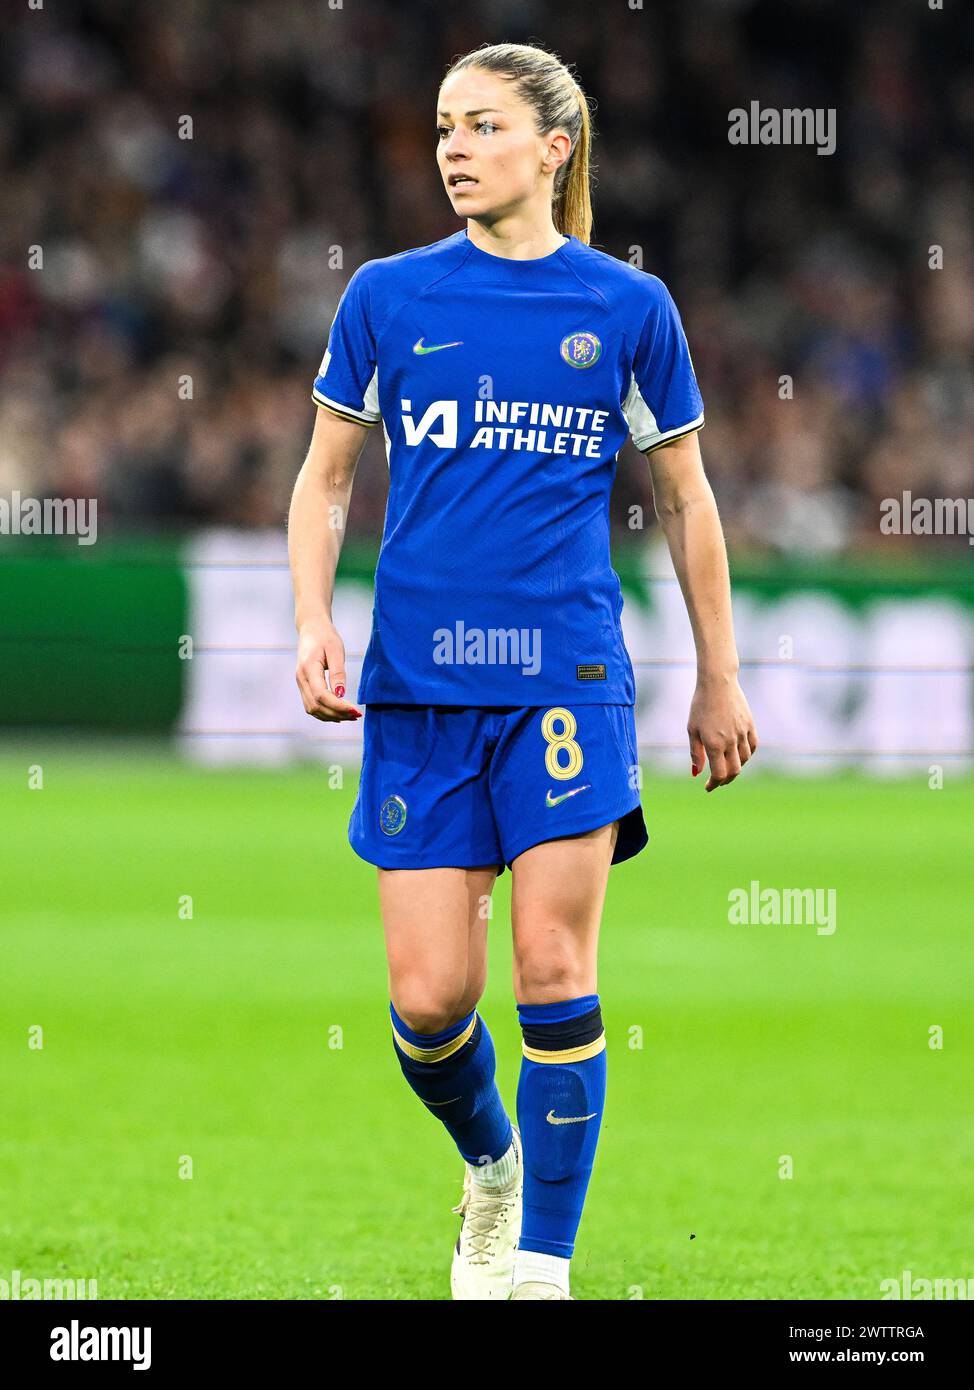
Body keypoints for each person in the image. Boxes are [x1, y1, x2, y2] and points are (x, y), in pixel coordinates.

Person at [288, 41, 757, 1301]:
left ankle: (539, 1259)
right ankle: (489, 1162)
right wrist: (311, 619)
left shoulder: (624, 308)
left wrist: (717, 673)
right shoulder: (386, 296)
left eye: (481, 125)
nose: (451, 147)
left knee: (552, 968)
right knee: (431, 1000)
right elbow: (325, 481)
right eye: (443, 126)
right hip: (422, 687)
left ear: (553, 148)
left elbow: (689, 500)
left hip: (566, 678)